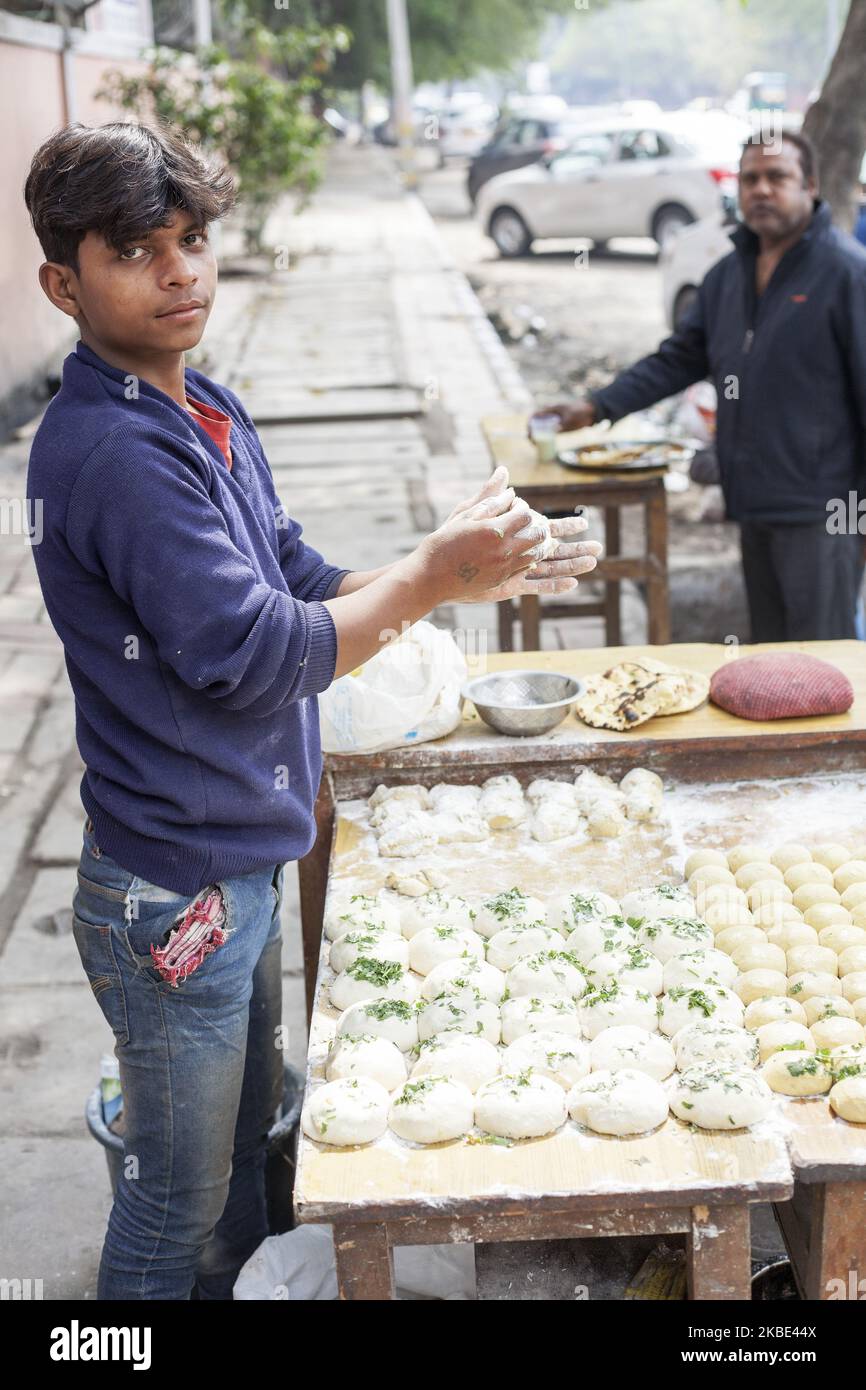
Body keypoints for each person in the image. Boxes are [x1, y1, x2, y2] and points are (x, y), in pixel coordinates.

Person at [23, 121, 601, 1300]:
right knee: (168, 1201)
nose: (180, 270)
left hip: (238, 855)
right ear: (62, 282)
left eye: (191, 239)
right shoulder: (116, 454)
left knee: (249, 1148)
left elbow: (292, 569)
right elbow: (254, 652)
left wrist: (459, 568)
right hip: (173, 894)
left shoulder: (201, 408)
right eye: (136, 250)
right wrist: (429, 580)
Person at [532, 131, 866, 642]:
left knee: (824, 664)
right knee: (770, 663)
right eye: (750, 178)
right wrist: (596, 406)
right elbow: (678, 359)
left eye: (777, 177)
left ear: (811, 186)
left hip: (823, 511)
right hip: (753, 499)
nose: (761, 190)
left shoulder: (846, 273)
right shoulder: (727, 276)